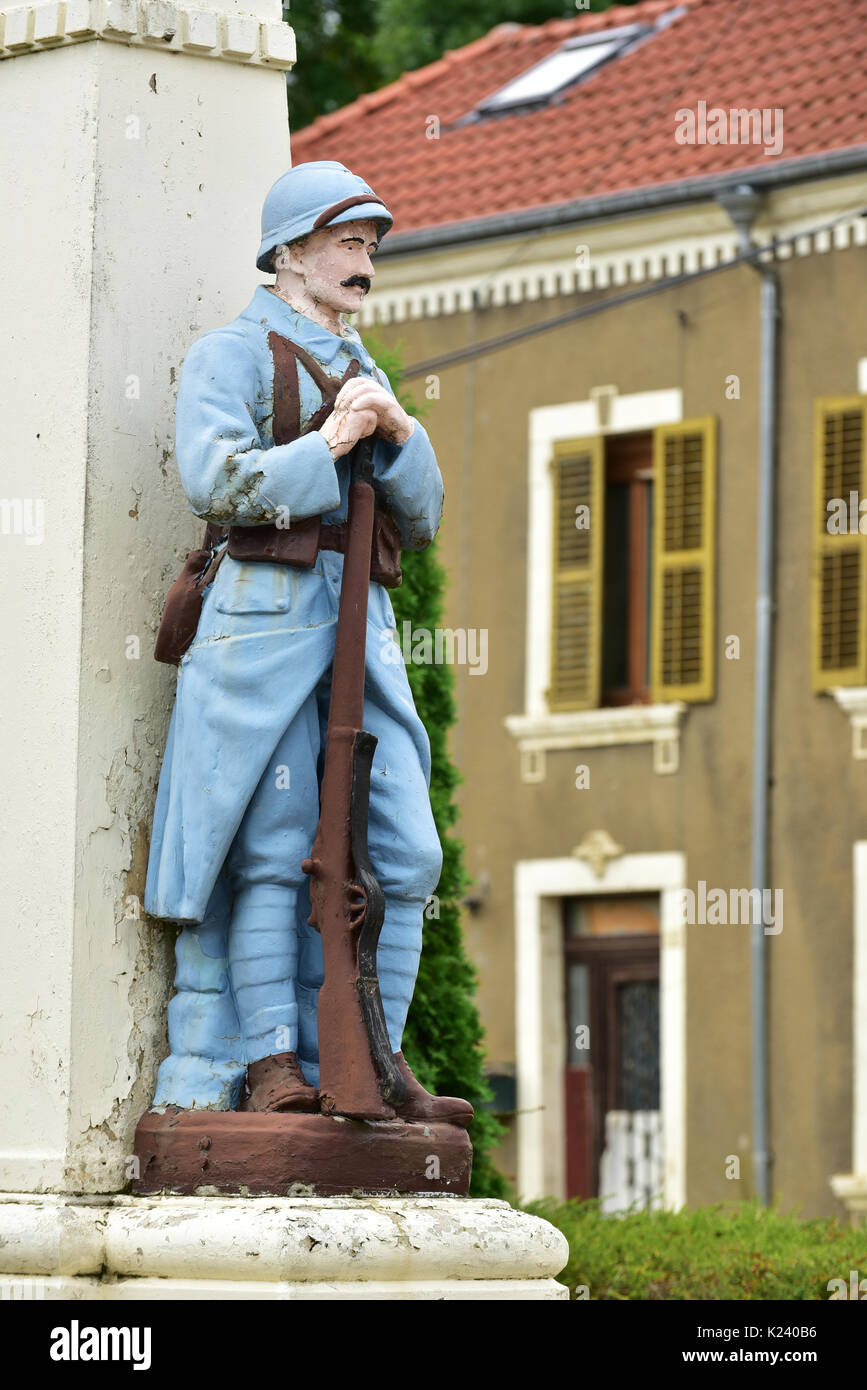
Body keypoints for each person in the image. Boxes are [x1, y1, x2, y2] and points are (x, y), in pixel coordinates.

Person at [145, 161, 472, 1127]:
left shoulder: (366, 368)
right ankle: (271, 1063)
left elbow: (428, 516)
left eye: (370, 246)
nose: (362, 262)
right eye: (344, 243)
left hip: (358, 630)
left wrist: (397, 429)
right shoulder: (231, 354)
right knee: (274, 842)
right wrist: (330, 443)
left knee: (407, 849)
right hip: (263, 624)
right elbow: (214, 478)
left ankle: (379, 1059)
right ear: (288, 254)